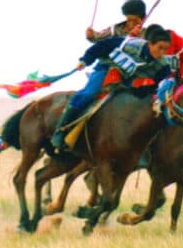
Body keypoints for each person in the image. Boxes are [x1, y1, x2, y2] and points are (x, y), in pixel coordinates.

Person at [51, 24, 172, 152]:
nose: (162, 53)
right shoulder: (130, 44)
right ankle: (60, 131)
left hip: (124, 80)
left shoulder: (162, 64)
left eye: (165, 49)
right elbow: (102, 45)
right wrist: (86, 60)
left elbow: (162, 81)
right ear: (150, 44)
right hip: (106, 68)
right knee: (89, 94)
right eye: (159, 48)